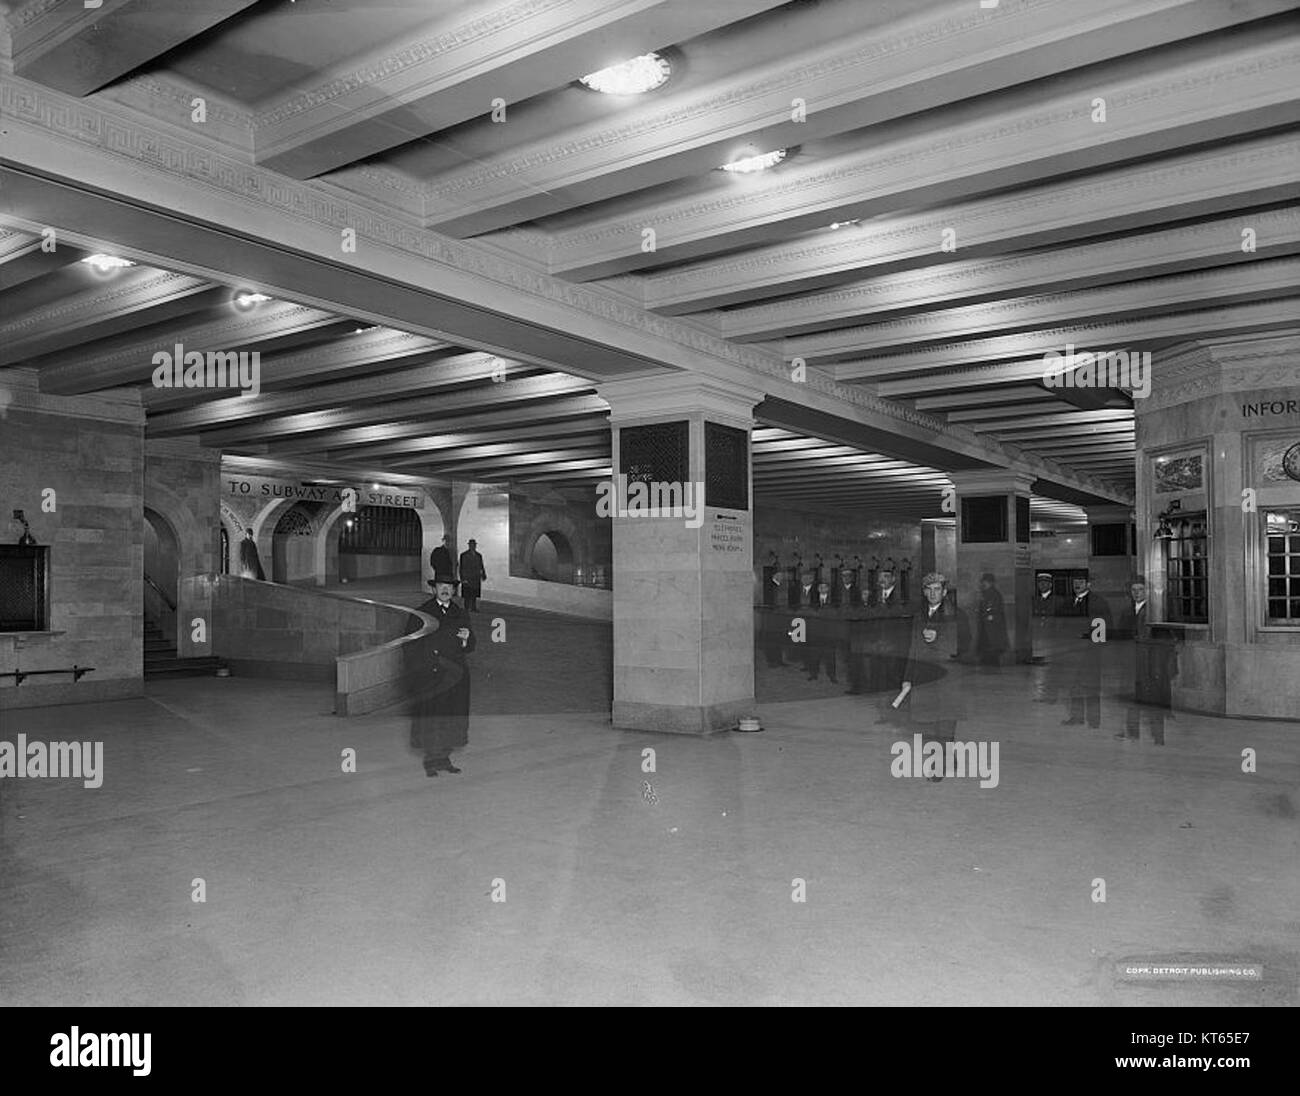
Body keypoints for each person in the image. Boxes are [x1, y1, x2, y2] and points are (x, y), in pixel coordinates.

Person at [891, 573, 971, 781]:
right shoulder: (919, 616)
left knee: (944, 721)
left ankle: (939, 765)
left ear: (945, 592)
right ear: (924, 592)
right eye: (929, 589)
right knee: (926, 722)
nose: (933, 593)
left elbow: (967, 647)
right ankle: (944, 756)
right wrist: (907, 676)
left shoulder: (957, 615)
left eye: (937, 589)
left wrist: (940, 637)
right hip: (923, 678)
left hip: (948, 678)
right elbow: (913, 648)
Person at [412, 572, 476, 776]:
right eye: (441, 586)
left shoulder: (460, 613)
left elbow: (471, 644)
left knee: (451, 716)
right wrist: (421, 670)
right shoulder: (422, 613)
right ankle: (431, 761)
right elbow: (411, 646)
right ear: (434, 589)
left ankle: (445, 758)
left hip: (455, 676)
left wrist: (467, 639)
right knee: (433, 717)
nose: (445, 589)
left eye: (449, 586)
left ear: (454, 590)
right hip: (432, 676)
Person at [1116, 576, 1177, 745]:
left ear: (1147, 592)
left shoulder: (1155, 611)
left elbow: (1164, 638)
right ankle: (1133, 732)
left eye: (1140, 590)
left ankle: (1158, 736)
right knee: (1133, 698)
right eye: (1134, 590)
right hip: (1132, 661)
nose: (1137, 593)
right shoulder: (1126, 612)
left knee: (1153, 698)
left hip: (1151, 662)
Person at [1060, 575, 1112, 729]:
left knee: (1092, 686)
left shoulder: (1098, 602)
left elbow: (1103, 627)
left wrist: (1089, 639)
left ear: (1088, 584)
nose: (1077, 585)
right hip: (1072, 653)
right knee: (1074, 685)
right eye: (1075, 582)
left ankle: (1094, 720)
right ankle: (1077, 717)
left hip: (1091, 652)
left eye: (1081, 582)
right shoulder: (1068, 603)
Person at [802, 581, 838, 682]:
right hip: (816, 633)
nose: (823, 589)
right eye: (820, 587)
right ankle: (814, 674)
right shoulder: (813, 601)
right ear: (818, 589)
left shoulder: (834, 601)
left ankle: (832, 675)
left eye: (825, 587)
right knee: (814, 655)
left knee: (830, 657)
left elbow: (835, 615)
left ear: (828, 589)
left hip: (829, 633)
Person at [973, 572, 1008, 669]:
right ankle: (987, 661)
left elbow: (994, 609)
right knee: (987, 643)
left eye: (985, 582)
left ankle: (990, 662)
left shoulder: (994, 594)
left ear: (991, 583)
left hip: (992, 625)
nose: (983, 584)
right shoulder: (987, 593)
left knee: (991, 643)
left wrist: (989, 615)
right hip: (987, 625)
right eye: (983, 582)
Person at [458, 538, 487, 612]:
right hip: (467, 577)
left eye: (474, 545)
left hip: (476, 577)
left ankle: (473, 607)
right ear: (469, 546)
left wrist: (483, 574)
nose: (472, 546)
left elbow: (481, 565)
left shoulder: (478, 555)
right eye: (471, 545)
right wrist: (462, 578)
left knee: (474, 593)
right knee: (467, 594)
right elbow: (461, 567)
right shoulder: (464, 555)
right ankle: (466, 607)